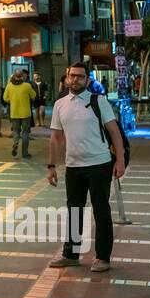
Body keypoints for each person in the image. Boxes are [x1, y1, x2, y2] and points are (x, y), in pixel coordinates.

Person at [47, 62, 127, 272]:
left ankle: (102, 257)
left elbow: (115, 133)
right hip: (73, 167)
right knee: (74, 210)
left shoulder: (99, 101)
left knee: (101, 210)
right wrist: (51, 165)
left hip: (99, 164)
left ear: (88, 80)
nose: (76, 80)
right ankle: (70, 254)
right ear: (66, 78)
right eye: (72, 76)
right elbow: (55, 138)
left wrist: (119, 160)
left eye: (80, 77)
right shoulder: (60, 104)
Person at [3, 70, 35, 159]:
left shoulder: (9, 86)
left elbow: (5, 98)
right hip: (25, 113)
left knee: (16, 131)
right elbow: (33, 96)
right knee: (25, 133)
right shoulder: (27, 86)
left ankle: (16, 142)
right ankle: (25, 153)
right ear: (22, 77)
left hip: (14, 113)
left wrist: (12, 101)